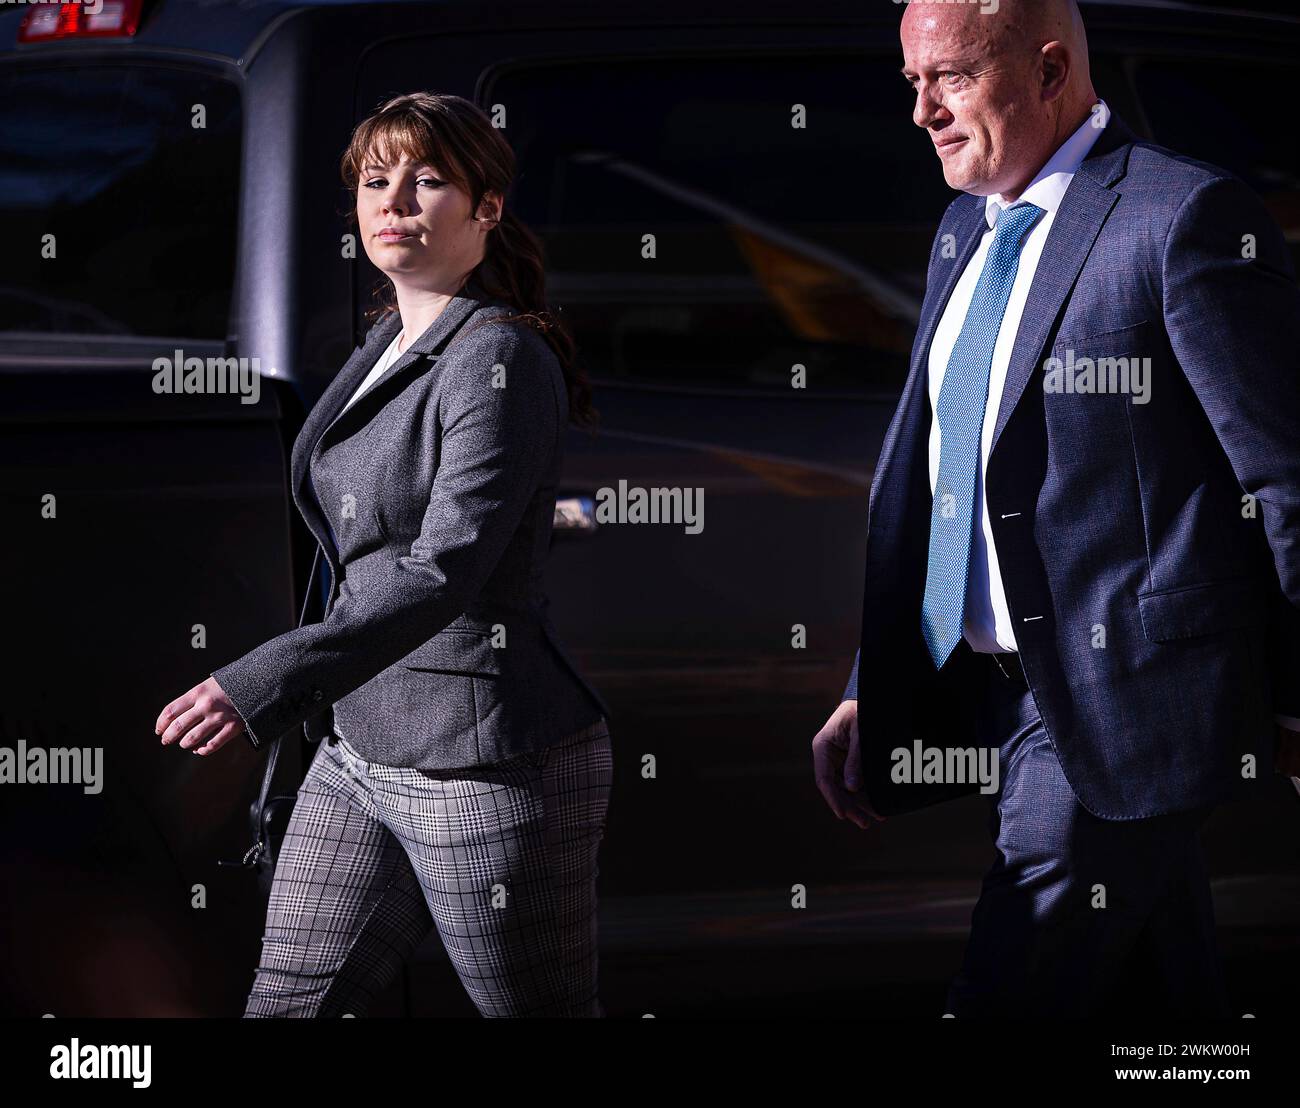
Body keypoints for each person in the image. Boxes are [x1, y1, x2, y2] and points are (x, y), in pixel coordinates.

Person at [813, 0, 1300, 1017]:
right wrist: (877, 673)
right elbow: (938, 477)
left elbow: (1282, 476)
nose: (921, 112)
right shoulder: (965, 229)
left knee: (1011, 981)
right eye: (910, 83)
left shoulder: (1181, 218)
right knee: (1164, 1000)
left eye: (946, 77)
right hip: (1002, 688)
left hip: (1127, 696)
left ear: (1046, 70)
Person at [154, 92, 614, 1017]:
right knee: (289, 1006)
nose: (395, 199)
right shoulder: (387, 342)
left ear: (487, 208)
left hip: (480, 761)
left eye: (429, 179)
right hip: (358, 745)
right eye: (376, 180)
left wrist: (266, 681)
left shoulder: (499, 360)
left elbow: (442, 570)